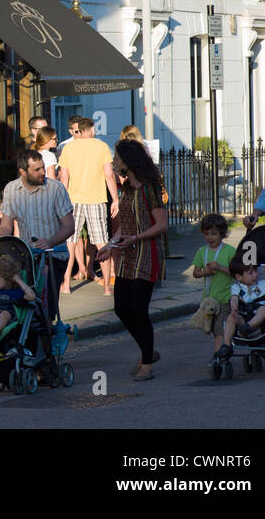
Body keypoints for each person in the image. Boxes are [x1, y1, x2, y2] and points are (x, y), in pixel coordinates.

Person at [98, 138, 168, 381]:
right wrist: (110, 244)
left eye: (116, 158)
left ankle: (146, 363)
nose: (114, 163)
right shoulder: (125, 188)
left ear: (128, 160)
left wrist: (136, 237)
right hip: (128, 255)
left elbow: (161, 225)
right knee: (121, 308)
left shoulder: (149, 188)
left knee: (139, 309)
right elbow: (124, 225)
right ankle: (148, 350)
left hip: (147, 254)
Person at [0, 149, 75, 322]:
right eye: (37, 169)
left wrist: (49, 242)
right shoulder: (11, 189)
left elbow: (69, 226)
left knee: (45, 308)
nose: (43, 172)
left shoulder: (55, 188)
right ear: (22, 172)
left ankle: (46, 341)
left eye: (43, 167)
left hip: (53, 255)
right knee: (22, 304)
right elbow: (5, 225)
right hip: (27, 257)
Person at [57, 116, 119, 295]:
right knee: (102, 243)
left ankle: (66, 284)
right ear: (90, 129)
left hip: (73, 199)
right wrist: (115, 199)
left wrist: (62, 200)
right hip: (96, 199)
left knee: (70, 242)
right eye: (94, 129)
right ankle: (107, 287)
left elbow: (64, 176)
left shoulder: (68, 148)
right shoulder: (101, 147)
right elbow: (109, 175)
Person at [216, 257, 265, 357]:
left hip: (260, 322)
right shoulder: (236, 287)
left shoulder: (261, 285)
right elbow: (234, 298)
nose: (256, 274)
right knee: (231, 317)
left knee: (264, 308)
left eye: (255, 271)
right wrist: (234, 307)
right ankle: (227, 346)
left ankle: (249, 326)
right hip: (243, 320)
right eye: (251, 273)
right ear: (239, 277)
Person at [191, 213, 235, 356]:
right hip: (209, 299)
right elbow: (196, 273)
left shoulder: (229, 251)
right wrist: (206, 271)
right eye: (206, 233)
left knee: (218, 330)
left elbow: (237, 273)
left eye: (214, 234)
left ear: (222, 234)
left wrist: (220, 267)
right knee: (211, 329)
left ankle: (218, 356)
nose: (210, 237)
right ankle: (225, 347)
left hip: (225, 298)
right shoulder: (201, 252)